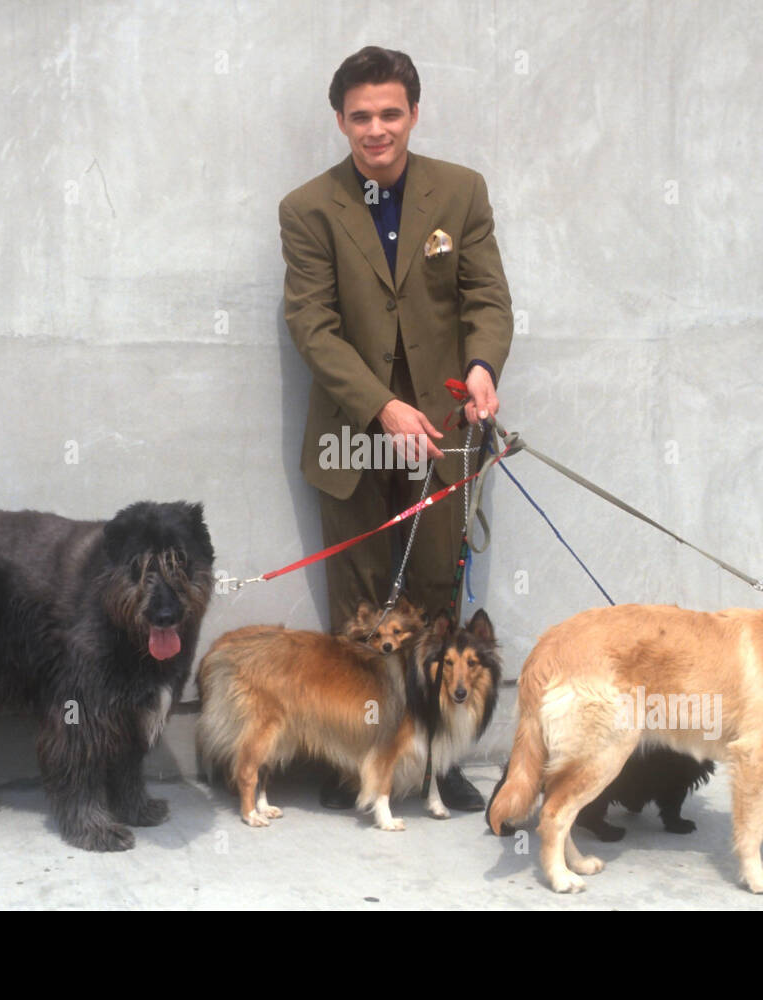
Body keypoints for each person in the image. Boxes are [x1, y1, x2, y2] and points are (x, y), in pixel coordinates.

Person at [279, 46, 513, 811]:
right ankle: (354, 759)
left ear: (413, 112)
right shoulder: (308, 208)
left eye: (390, 113)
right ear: (340, 120)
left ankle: (439, 760)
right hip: (355, 437)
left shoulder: (461, 192)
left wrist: (481, 367)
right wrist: (381, 404)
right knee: (362, 608)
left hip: (444, 432)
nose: (376, 129)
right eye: (360, 116)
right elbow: (312, 327)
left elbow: (487, 299)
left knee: (438, 597)